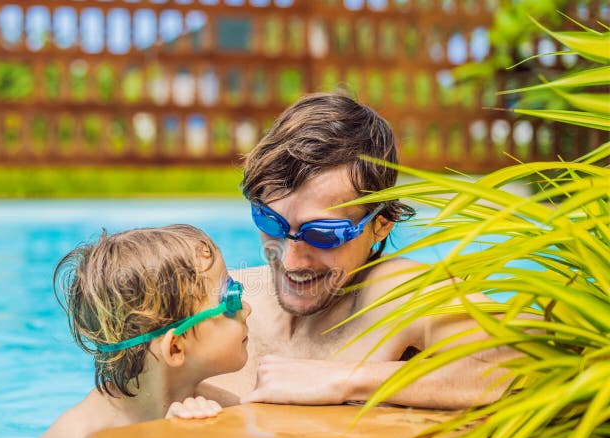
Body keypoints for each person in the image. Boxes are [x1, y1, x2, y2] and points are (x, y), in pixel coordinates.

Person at [205, 92, 511, 409]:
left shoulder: (397, 294)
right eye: (270, 221)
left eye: (324, 235)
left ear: (381, 223)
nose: (289, 260)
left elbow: (521, 363)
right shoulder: (219, 297)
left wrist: (345, 379)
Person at [0, 224, 250, 438]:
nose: (247, 308)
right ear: (176, 348)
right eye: (230, 298)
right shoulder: (88, 434)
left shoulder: (205, 399)